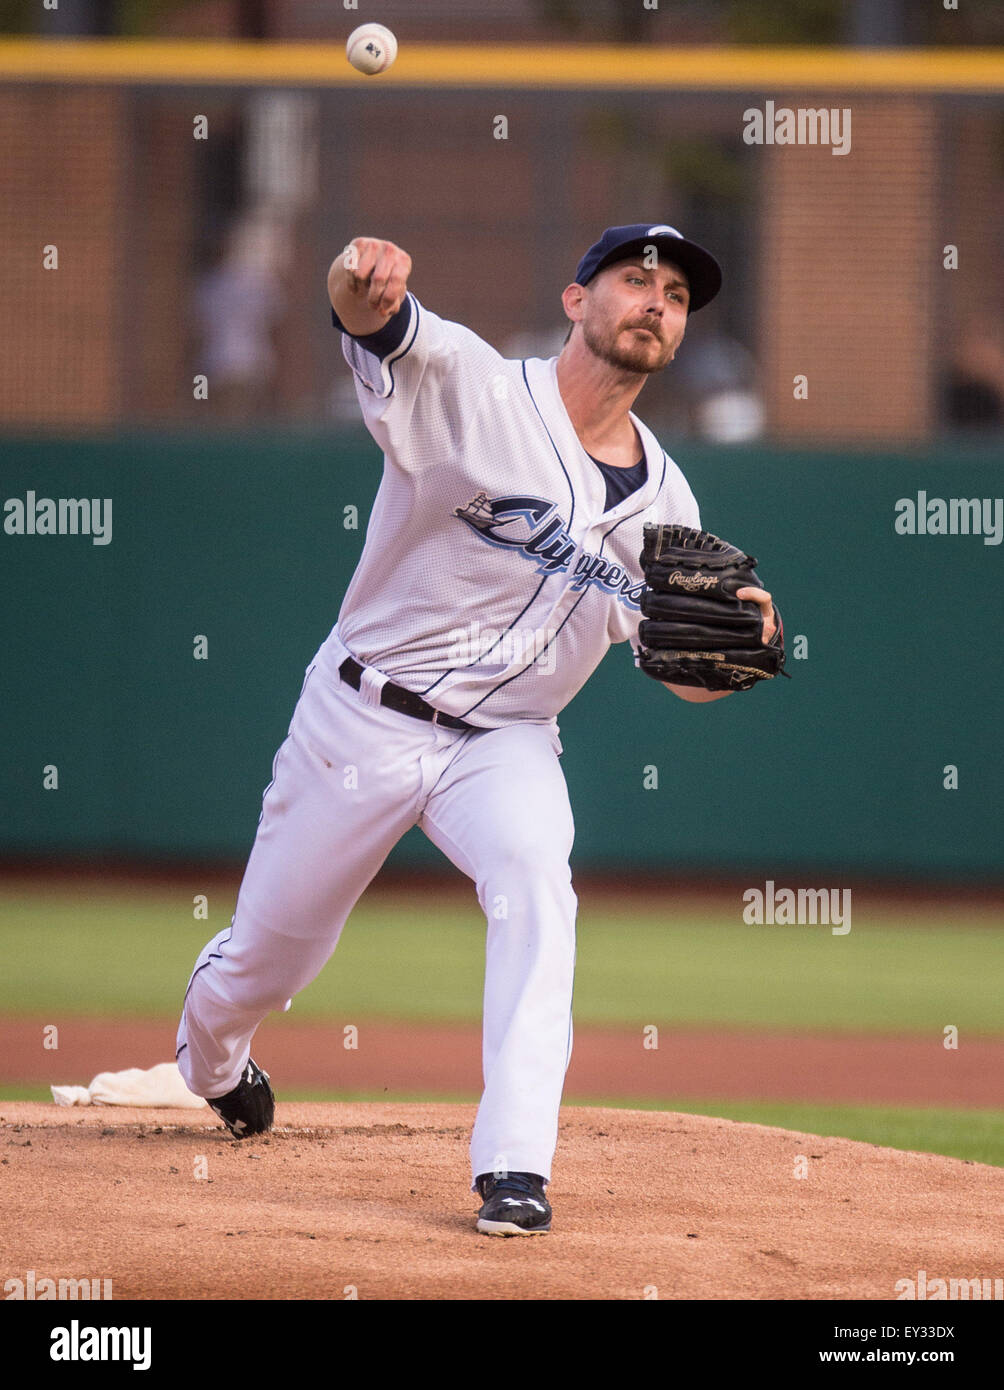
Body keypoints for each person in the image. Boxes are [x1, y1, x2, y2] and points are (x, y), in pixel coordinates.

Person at [176, 223, 779, 1236]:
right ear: (575, 298)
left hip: (503, 740)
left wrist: (735, 655)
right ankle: (214, 1057)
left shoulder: (667, 503)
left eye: (675, 295)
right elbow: (371, 314)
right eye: (634, 279)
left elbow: (680, 674)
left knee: (538, 881)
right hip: (361, 716)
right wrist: (357, 272)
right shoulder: (472, 385)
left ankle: (514, 1167)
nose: (655, 302)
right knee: (270, 957)